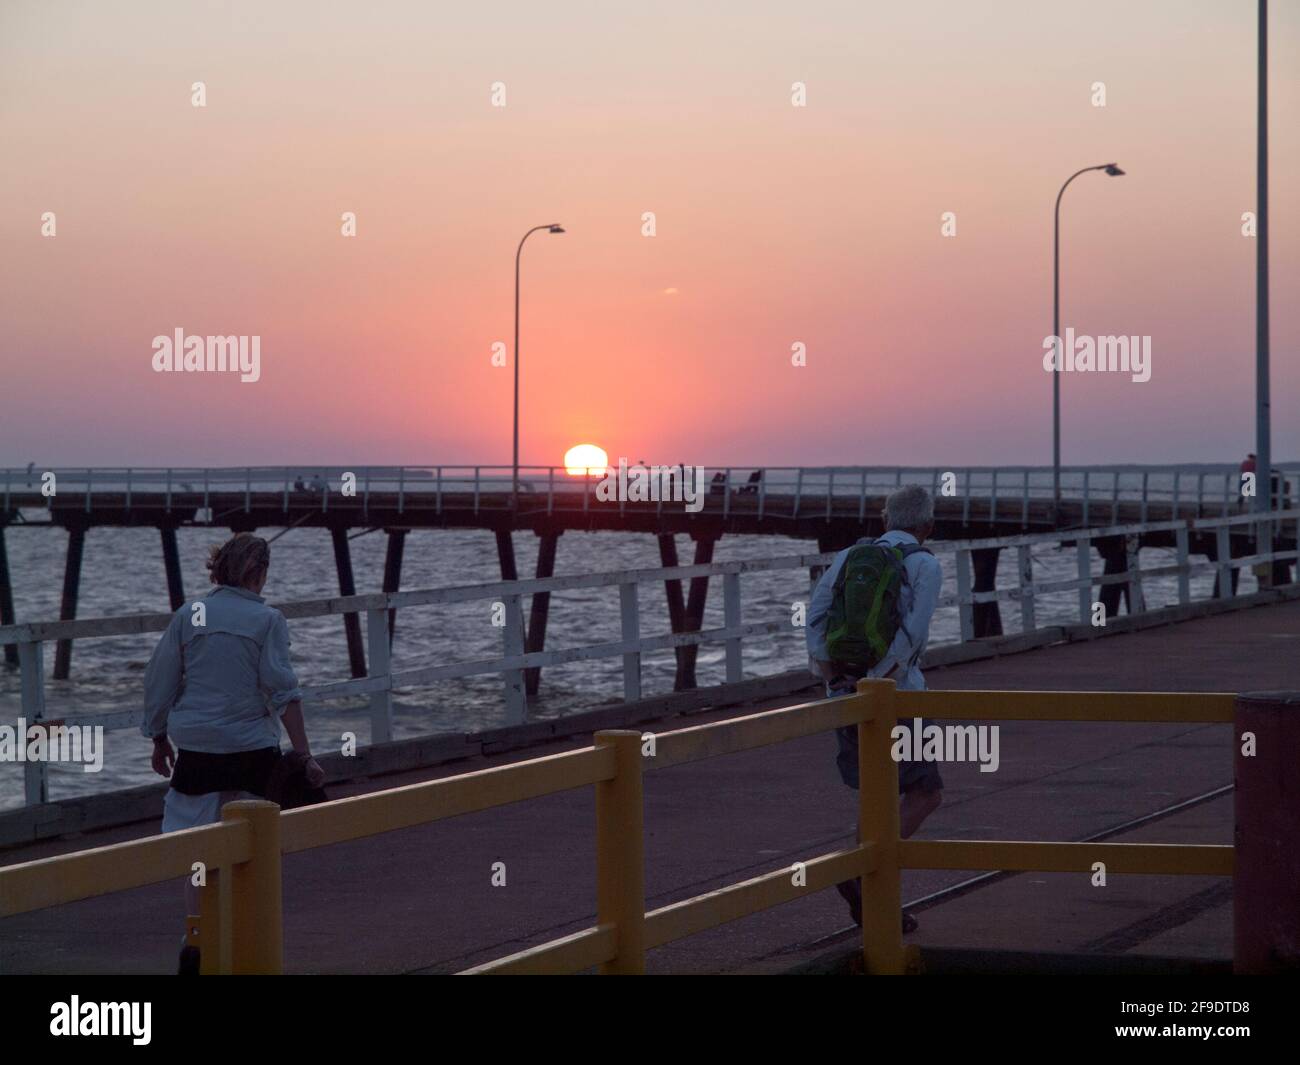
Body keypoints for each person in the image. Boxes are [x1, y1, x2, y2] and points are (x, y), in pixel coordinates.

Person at [142, 532, 324, 973]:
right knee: (251, 848)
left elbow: (160, 677)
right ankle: (247, 943)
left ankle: (196, 941)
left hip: (198, 751)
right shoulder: (267, 620)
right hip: (250, 750)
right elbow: (283, 691)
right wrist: (304, 755)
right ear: (257, 573)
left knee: (197, 853)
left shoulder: (190, 615)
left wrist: (157, 735)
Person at [806, 484, 944, 933]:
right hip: (896, 695)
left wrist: (832, 678)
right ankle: (862, 879)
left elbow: (816, 615)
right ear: (927, 526)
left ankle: (875, 897)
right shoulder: (924, 563)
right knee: (925, 792)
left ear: (885, 521)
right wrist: (882, 679)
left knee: (876, 796)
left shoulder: (850, 555)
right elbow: (914, 634)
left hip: (845, 693)